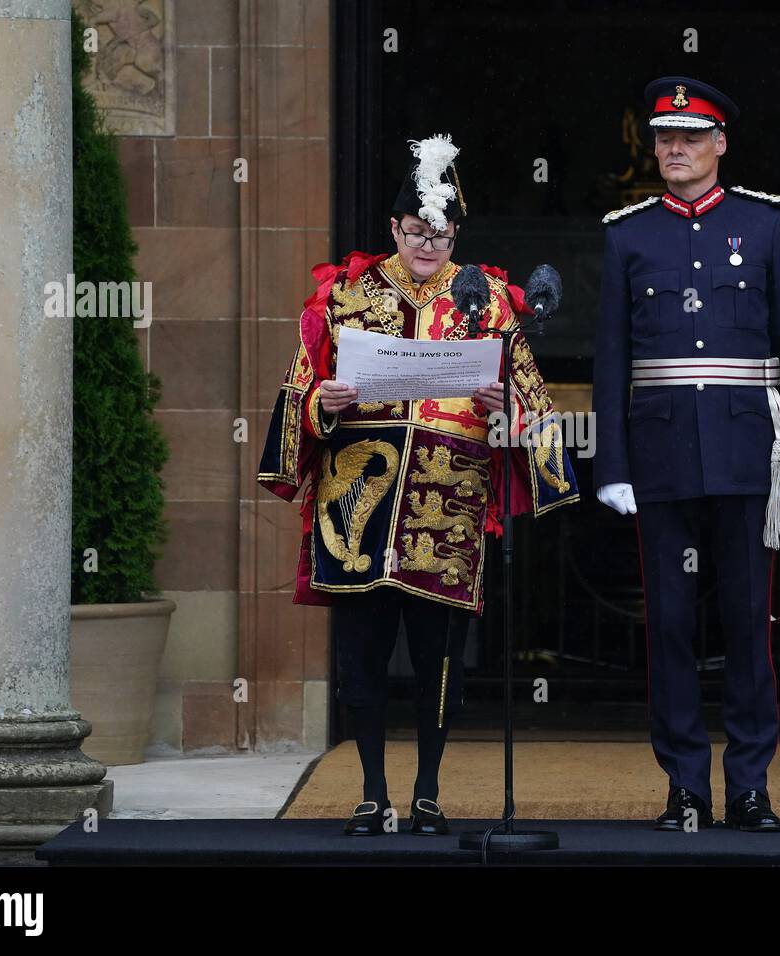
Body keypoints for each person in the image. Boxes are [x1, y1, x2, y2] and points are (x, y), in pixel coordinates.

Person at [258, 134, 578, 836]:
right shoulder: (345, 293)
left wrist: (510, 414)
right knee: (362, 657)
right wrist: (323, 406)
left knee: (440, 663)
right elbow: (296, 393)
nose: (426, 244)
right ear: (393, 229)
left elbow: (539, 409)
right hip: (357, 500)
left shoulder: (490, 297)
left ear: (456, 232)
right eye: (414, 231)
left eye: (439, 232)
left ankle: (428, 791)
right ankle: (372, 792)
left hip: (449, 502)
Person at [592, 77, 780, 833]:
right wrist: (614, 465)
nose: (675, 149)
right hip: (659, 457)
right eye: (665, 137)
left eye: (690, 137)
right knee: (671, 629)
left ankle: (749, 785)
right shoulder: (628, 234)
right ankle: (685, 787)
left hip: (746, 453)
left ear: (720, 144)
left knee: (749, 626)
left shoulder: (764, 228)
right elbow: (611, 360)